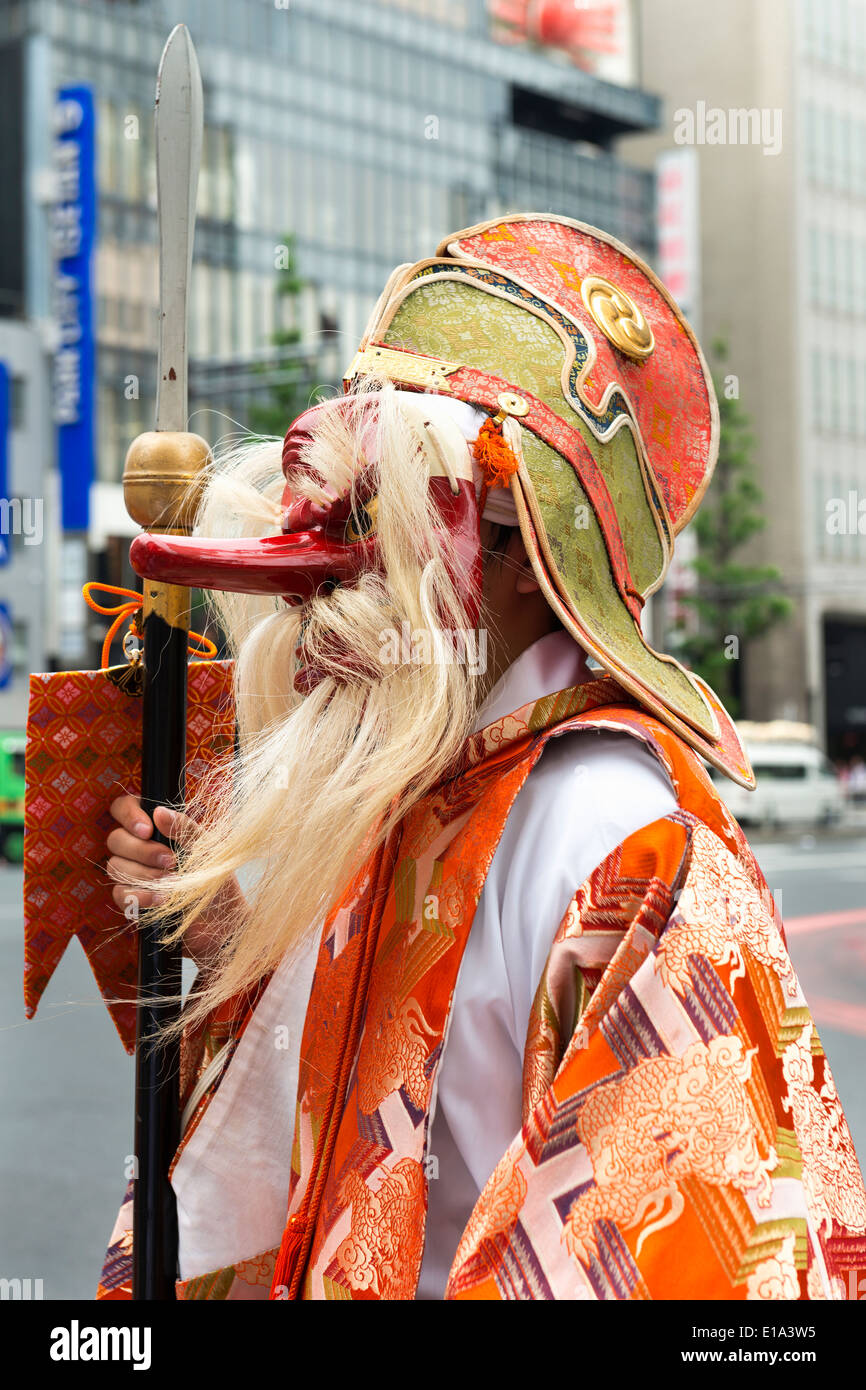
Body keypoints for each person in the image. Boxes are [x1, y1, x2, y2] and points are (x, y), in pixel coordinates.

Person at [98, 215, 866, 1301]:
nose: (326, 564)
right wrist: (229, 944)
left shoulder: (620, 838)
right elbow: (330, 1140)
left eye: (383, 515)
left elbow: (676, 1261)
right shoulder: (409, 782)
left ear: (523, 550)